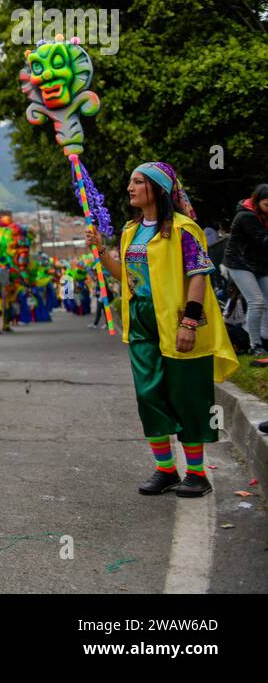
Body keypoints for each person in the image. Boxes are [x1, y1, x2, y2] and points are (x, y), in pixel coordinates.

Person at [87, 161, 239, 499]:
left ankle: (197, 474)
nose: (131, 187)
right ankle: (166, 469)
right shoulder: (130, 231)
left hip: (177, 318)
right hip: (141, 319)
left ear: (157, 189)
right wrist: (100, 249)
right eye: (130, 182)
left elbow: (199, 275)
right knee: (148, 395)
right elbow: (124, 277)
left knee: (186, 396)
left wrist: (190, 321)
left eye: (138, 182)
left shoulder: (184, 229)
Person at [222, 184, 268, 361]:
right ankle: (254, 345)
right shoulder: (245, 216)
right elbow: (264, 241)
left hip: (260, 264)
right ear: (256, 202)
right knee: (256, 301)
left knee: (267, 301)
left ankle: (263, 339)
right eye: (266, 205)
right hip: (239, 262)